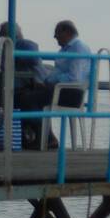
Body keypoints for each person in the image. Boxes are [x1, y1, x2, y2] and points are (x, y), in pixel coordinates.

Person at [16, 20, 91, 149]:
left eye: (57, 33)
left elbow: (75, 78)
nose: (54, 36)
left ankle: (44, 138)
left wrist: (53, 81)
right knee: (26, 94)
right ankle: (41, 137)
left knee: (27, 98)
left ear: (66, 32)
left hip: (70, 92)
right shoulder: (65, 50)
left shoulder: (78, 48)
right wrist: (47, 82)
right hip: (61, 89)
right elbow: (58, 73)